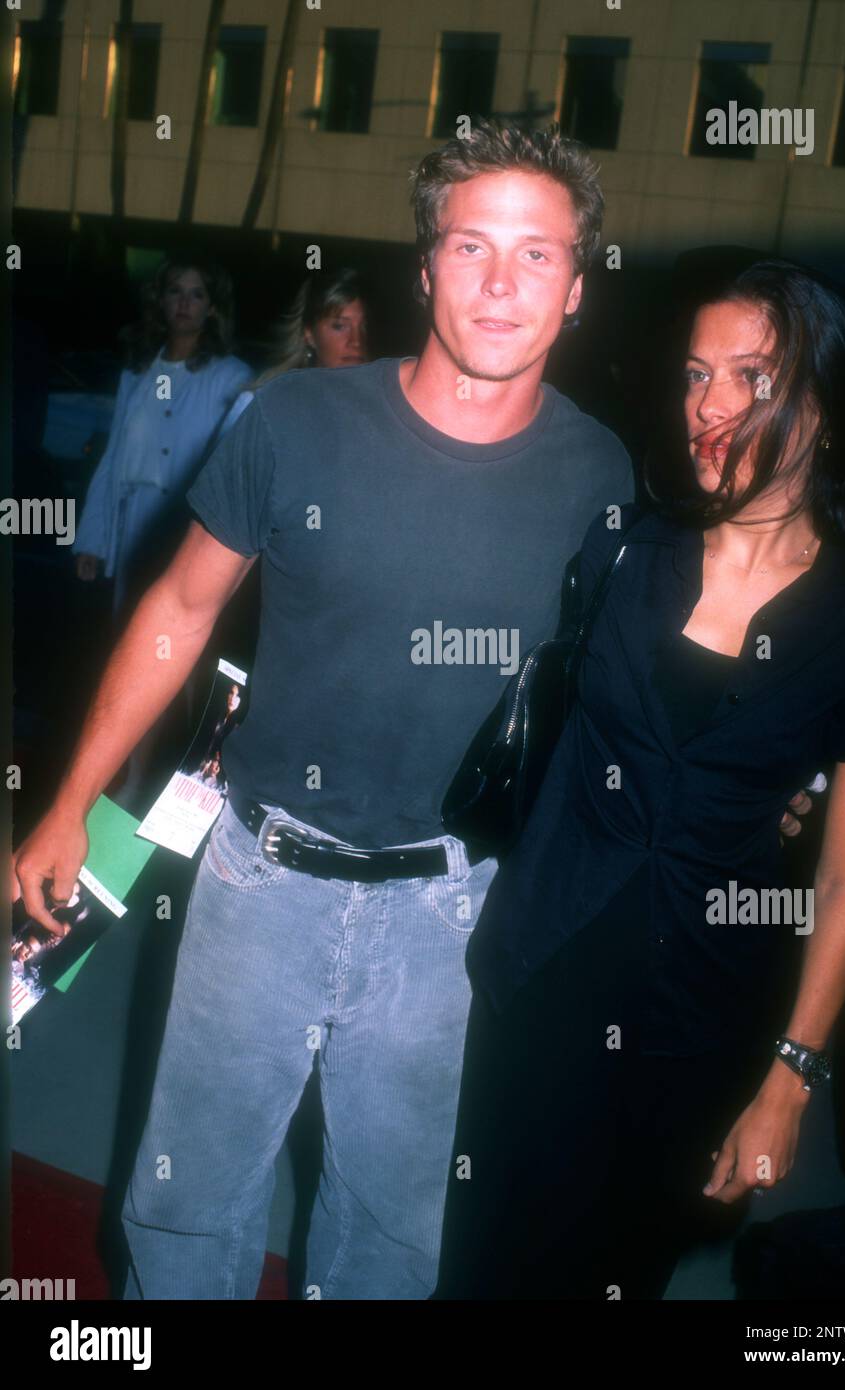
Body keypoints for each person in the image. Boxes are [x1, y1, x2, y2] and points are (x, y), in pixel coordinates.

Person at [12, 119, 638, 1299]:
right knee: (185, 1205)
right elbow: (177, 610)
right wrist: (69, 802)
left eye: (536, 254)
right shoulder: (295, 422)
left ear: (574, 289)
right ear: (425, 266)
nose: (498, 282)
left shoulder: (600, 475)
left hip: (449, 913)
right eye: (470, 246)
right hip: (259, 881)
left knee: (391, 1236)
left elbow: (607, 689)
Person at [433, 260, 845, 1300]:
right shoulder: (624, 548)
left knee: (619, 1272)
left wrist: (791, 1077)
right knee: (484, 1266)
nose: (708, 402)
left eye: (750, 376)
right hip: (540, 974)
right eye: (697, 374)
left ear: (822, 404)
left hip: (700, 1019)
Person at [72, 255, 251, 615]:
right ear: (160, 300)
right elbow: (112, 458)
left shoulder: (232, 378)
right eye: (175, 292)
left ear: (212, 307)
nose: (184, 303)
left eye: (197, 294)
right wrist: (92, 539)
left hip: (189, 528)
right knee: (128, 624)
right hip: (133, 526)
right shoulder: (136, 374)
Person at [220, 267, 372, 434]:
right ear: (309, 335)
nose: (356, 341)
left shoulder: (378, 409)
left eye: (363, 327)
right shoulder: (264, 406)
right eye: (339, 326)